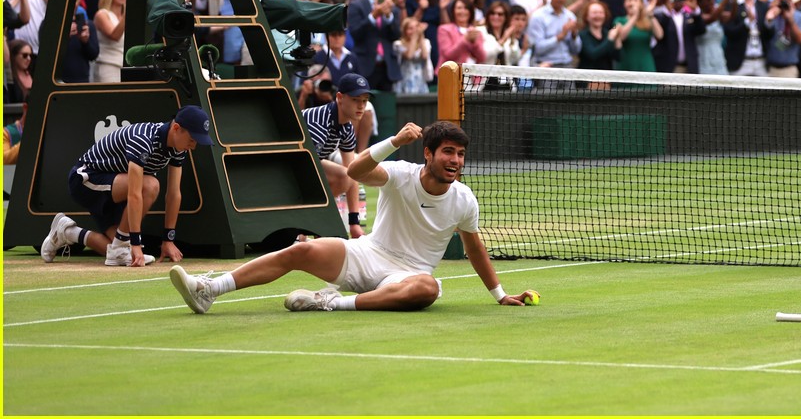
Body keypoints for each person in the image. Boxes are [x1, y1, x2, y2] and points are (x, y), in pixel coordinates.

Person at [169, 120, 536, 313]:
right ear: (428, 153)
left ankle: (330, 302)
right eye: (448, 152)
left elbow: (474, 249)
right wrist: (393, 142)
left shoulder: (464, 199)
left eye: (459, 154)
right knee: (301, 250)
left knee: (426, 288)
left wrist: (500, 294)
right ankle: (209, 290)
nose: (455, 161)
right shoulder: (401, 173)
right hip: (367, 254)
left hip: (406, 276)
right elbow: (356, 172)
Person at [41, 105, 214, 267]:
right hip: (85, 181)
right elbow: (135, 193)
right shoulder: (144, 139)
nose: (194, 146)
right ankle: (122, 244)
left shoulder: (178, 149)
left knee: (116, 250)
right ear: (176, 128)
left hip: (115, 190)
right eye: (192, 139)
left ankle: (67, 232)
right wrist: (136, 243)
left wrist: (168, 239)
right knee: (151, 185)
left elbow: (174, 194)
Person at [302, 72, 371, 240]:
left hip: (304, 165)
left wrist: (354, 223)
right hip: (284, 166)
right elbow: (305, 173)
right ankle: (304, 227)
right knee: (340, 176)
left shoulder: (346, 127)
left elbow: (353, 172)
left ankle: (313, 224)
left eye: (364, 101)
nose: (361, 106)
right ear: (340, 97)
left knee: (347, 174)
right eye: (355, 100)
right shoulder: (319, 123)